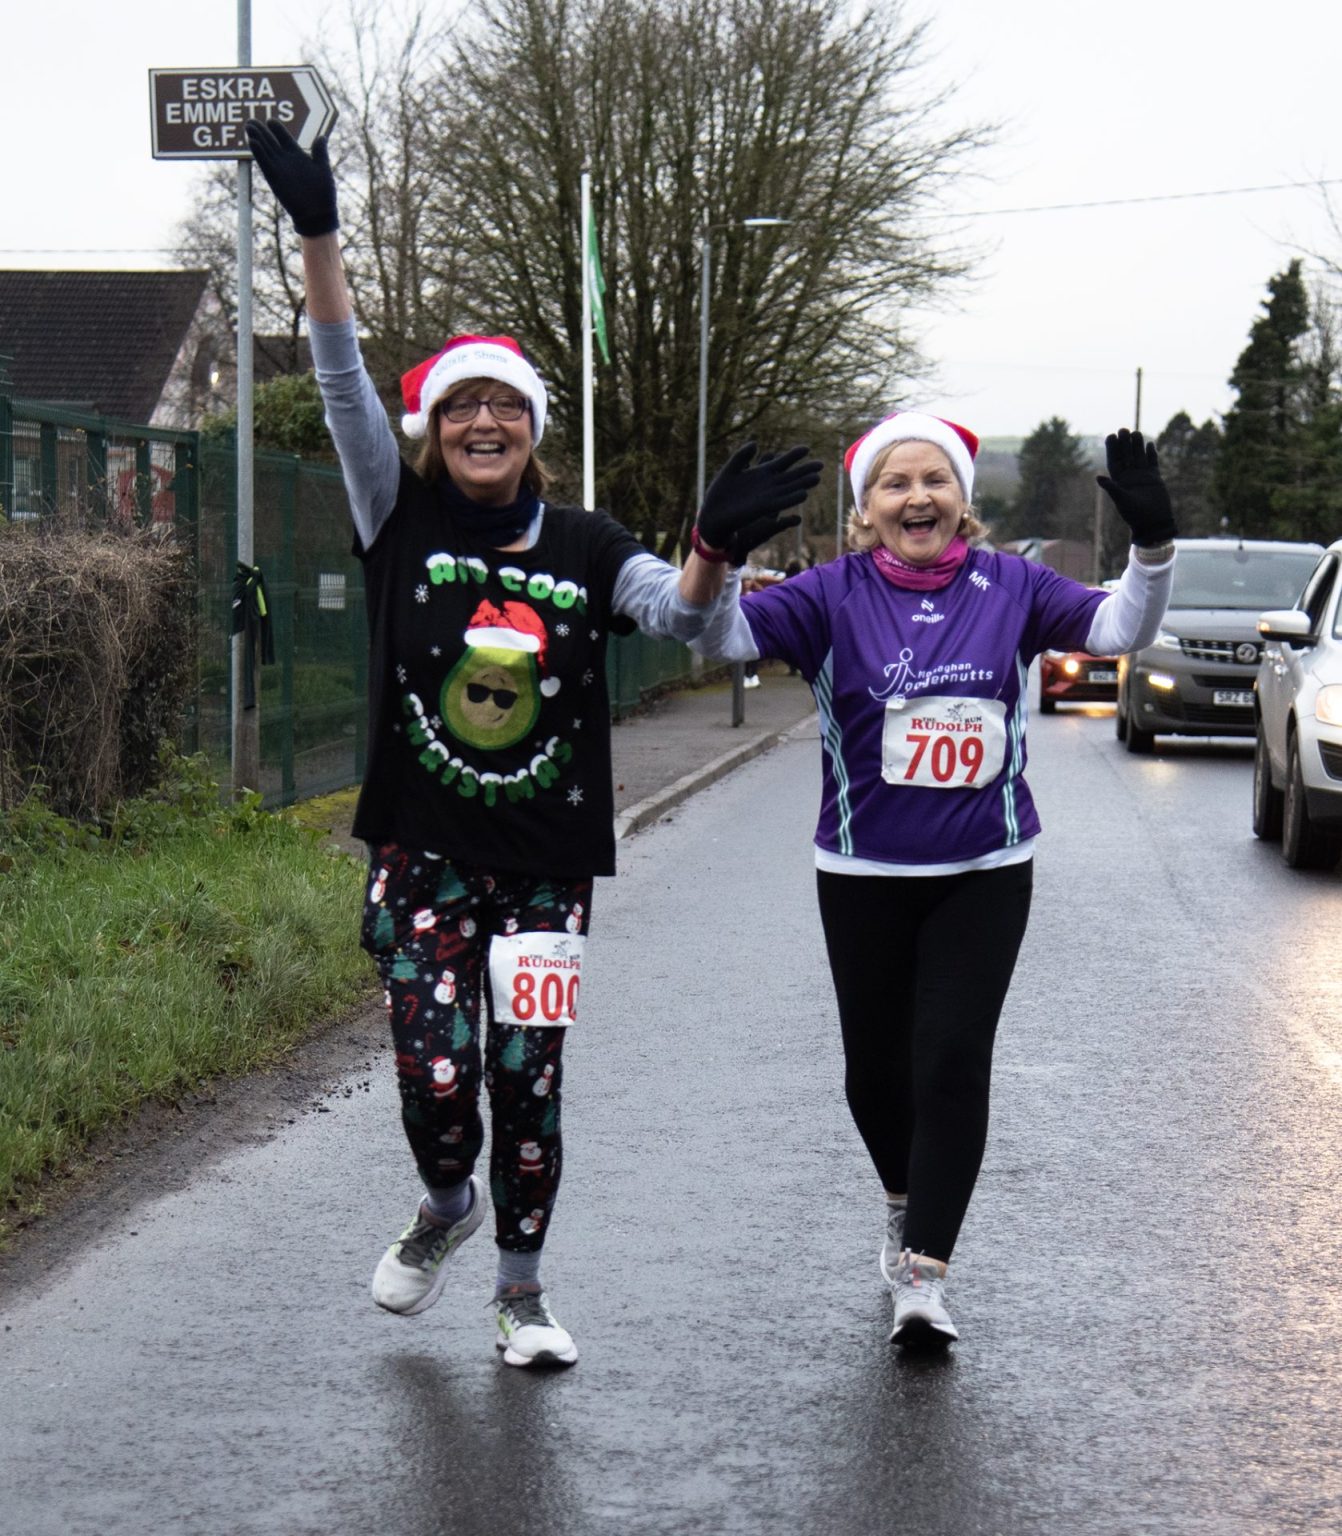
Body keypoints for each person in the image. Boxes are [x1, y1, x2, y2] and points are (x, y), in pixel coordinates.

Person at [245, 121, 819, 1368]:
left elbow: (688, 623)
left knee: (529, 1081)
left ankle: (521, 1292)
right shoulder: (392, 510)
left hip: (548, 864)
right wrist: (317, 237)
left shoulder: (590, 542)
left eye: (507, 403)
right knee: (435, 1085)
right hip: (423, 858)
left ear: (534, 428)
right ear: (434, 429)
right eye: (463, 405)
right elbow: (343, 381)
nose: (485, 420)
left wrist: (709, 547)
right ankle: (445, 1206)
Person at [692, 410, 1175, 1347]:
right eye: (894, 484)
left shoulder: (1014, 587)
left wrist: (1152, 548)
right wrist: (713, 553)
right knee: (874, 1075)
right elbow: (721, 643)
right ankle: (902, 1197)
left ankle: (925, 1273)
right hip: (863, 867)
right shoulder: (828, 594)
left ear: (963, 500)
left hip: (984, 868)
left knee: (950, 1058)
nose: (918, 497)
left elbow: (1119, 628)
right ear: (867, 508)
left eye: (935, 481)